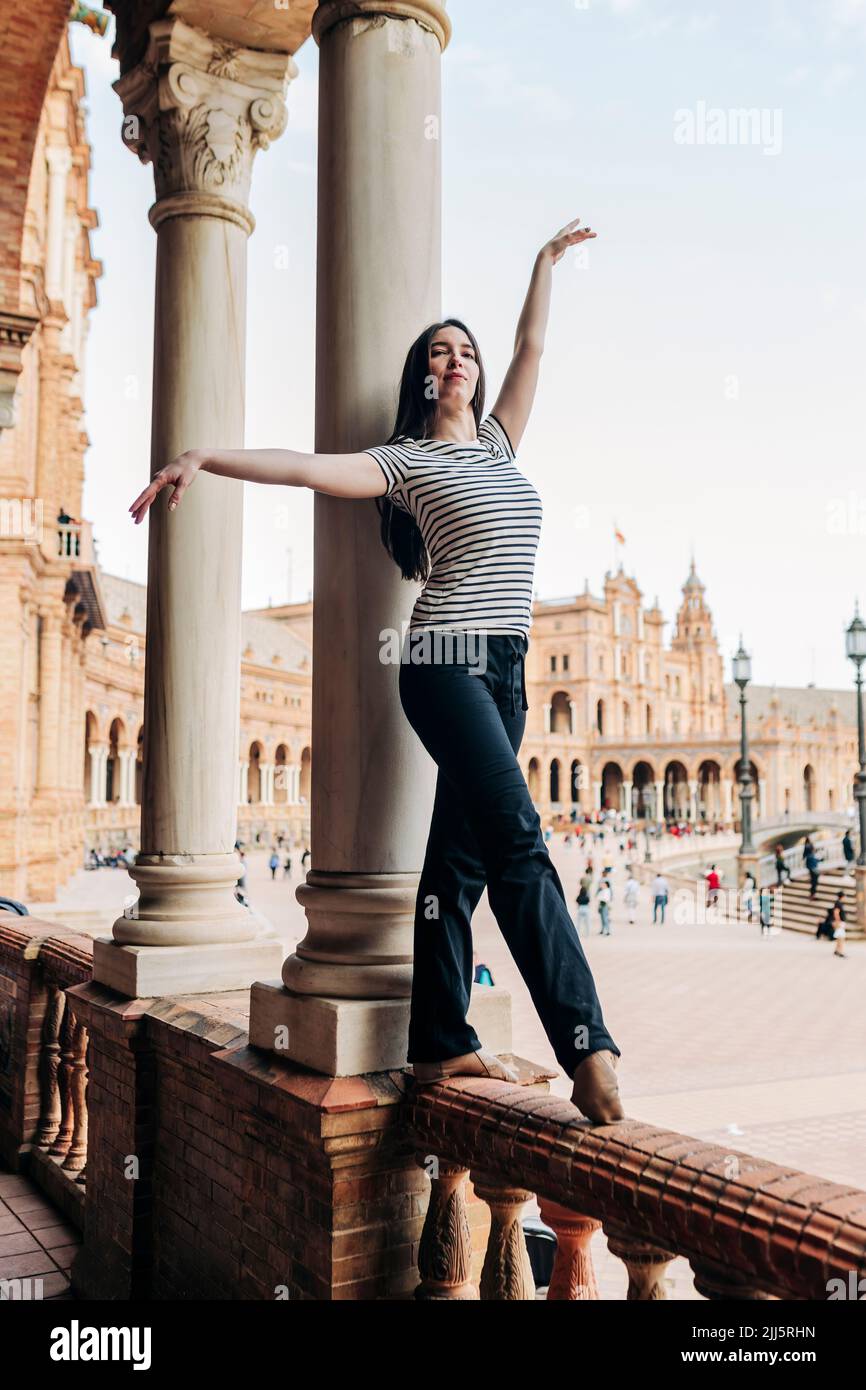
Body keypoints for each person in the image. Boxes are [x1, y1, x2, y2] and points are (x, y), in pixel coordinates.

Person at [128, 222, 623, 1126]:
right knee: (518, 838)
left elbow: (533, 346)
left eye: (464, 350)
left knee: (454, 867)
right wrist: (205, 457)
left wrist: (543, 263)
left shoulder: (503, 447)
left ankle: (437, 1042)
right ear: (424, 378)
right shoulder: (407, 462)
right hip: (442, 660)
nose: (457, 360)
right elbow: (305, 470)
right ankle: (585, 1039)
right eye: (441, 353)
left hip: (507, 673)